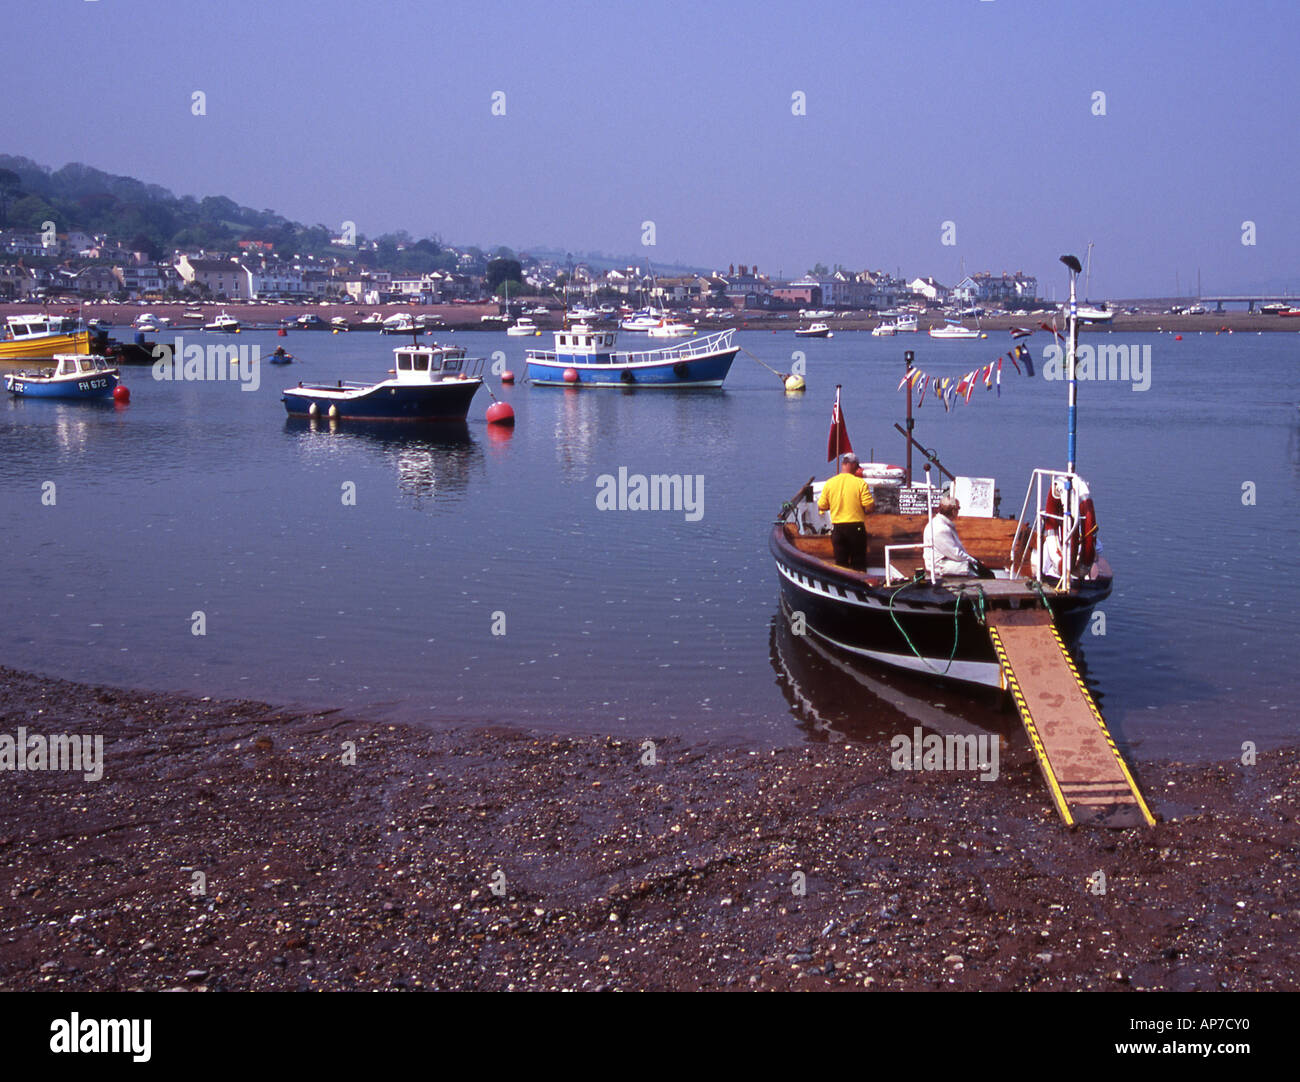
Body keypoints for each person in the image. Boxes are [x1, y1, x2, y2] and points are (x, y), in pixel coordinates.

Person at [818, 453, 874, 570]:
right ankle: (859, 587)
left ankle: (842, 587)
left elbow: (822, 506)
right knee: (858, 563)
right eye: (857, 466)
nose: (858, 469)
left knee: (841, 564)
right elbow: (869, 506)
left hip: (838, 529)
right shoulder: (860, 483)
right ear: (852, 465)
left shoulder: (830, 483)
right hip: (856, 528)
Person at [923, 496, 993, 578]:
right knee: (982, 575)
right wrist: (975, 562)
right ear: (953, 511)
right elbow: (956, 554)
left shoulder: (937, 523)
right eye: (958, 508)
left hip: (943, 563)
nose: (958, 511)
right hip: (940, 567)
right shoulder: (941, 528)